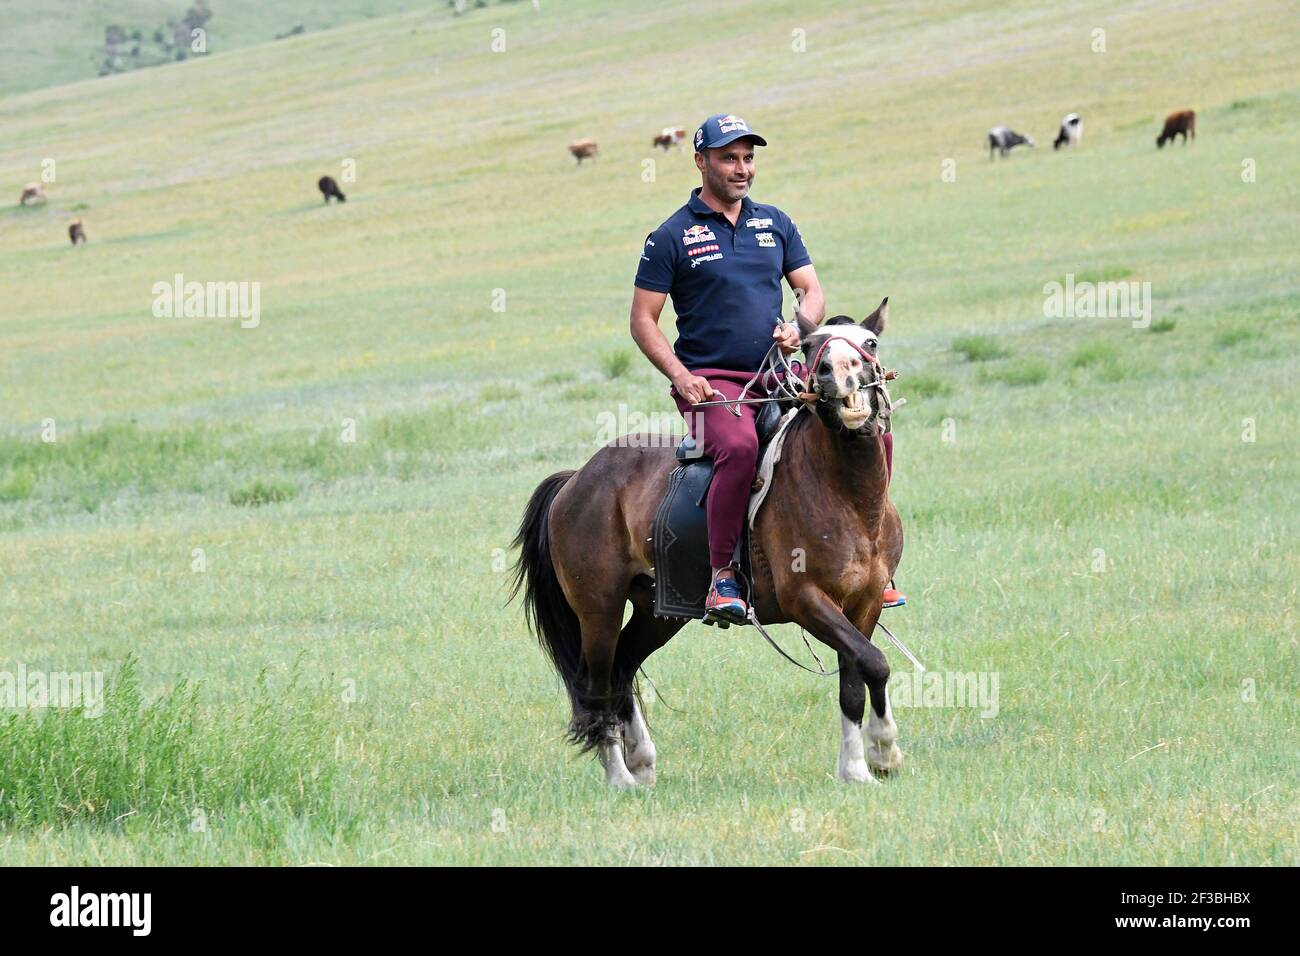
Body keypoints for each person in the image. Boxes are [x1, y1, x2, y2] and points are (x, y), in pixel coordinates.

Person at [630, 113, 905, 625]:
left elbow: (811, 290)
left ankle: (876, 564)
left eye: (748, 158)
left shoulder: (774, 222)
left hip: (779, 373)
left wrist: (799, 327)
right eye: (729, 158)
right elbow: (643, 321)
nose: (741, 168)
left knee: (868, 429)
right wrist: (681, 376)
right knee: (739, 448)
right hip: (713, 384)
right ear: (701, 162)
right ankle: (723, 578)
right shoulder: (671, 236)